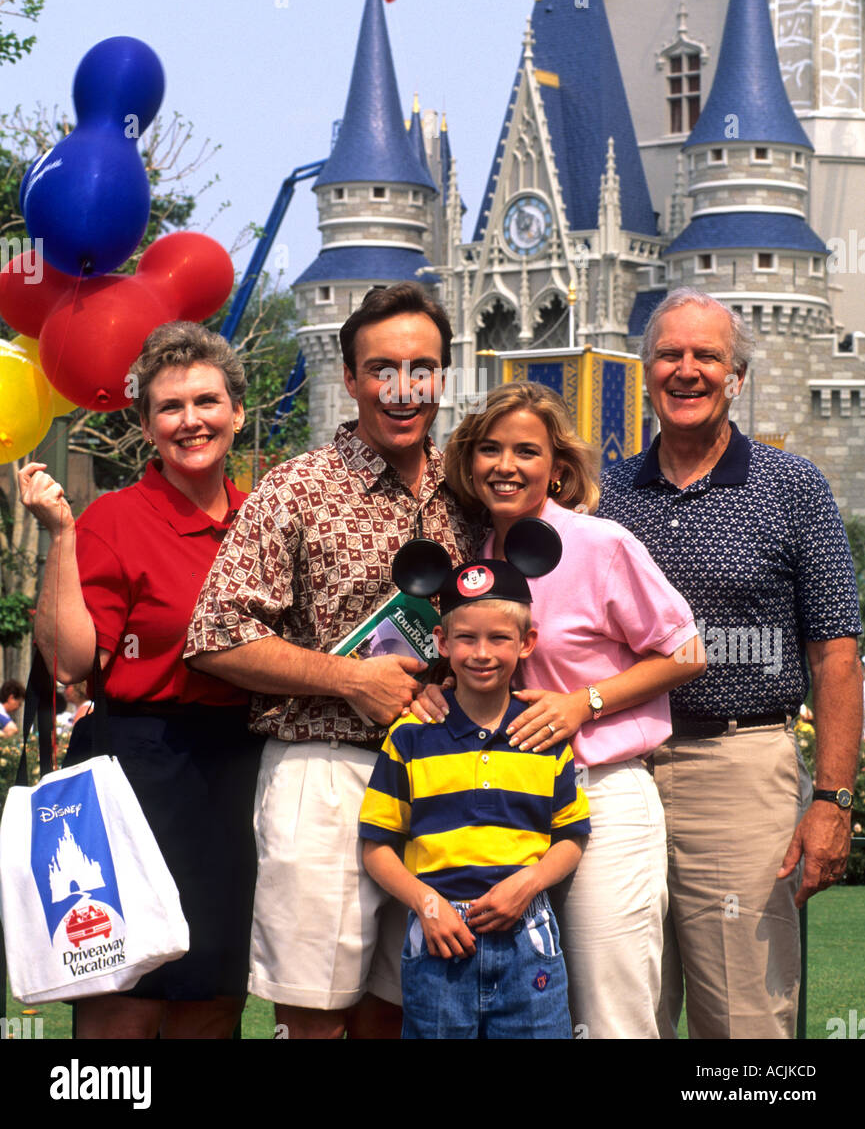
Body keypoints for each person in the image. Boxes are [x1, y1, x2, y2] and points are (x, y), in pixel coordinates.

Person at [185, 282, 477, 1040]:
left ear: (444, 375)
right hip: (325, 770)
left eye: (421, 367)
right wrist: (352, 678)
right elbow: (217, 635)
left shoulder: (469, 494)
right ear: (350, 378)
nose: (403, 387)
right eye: (382, 368)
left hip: (442, 776)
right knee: (315, 1013)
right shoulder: (299, 488)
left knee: (410, 1003)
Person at [598, 287, 864, 1039]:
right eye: (669, 355)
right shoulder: (604, 494)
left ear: (737, 375)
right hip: (621, 771)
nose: (687, 370)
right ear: (646, 372)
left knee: (746, 1018)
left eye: (706, 356)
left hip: (741, 766)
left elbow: (837, 657)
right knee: (620, 1009)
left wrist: (834, 802)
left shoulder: (793, 488)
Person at [420, 381, 706, 1039]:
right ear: (469, 463)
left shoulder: (600, 545)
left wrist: (587, 702)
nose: (506, 465)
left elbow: (689, 652)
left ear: (558, 467)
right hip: (501, 806)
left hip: (600, 793)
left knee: (611, 1014)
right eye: (489, 449)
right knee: (515, 1011)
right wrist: (434, 691)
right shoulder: (475, 566)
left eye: (526, 450)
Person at [18, 321, 262, 1040]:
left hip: (239, 770)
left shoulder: (266, 521)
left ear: (237, 412)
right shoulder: (113, 520)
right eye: (170, 407)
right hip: (135, 769)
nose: (192, 420)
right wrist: (61, 537)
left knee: (214, 992)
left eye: (207, 401)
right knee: (123, 991)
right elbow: (67, 665)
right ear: (149, 425)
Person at [360, 528, 590, 1039]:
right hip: (440, 937)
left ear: (526, 642)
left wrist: (527, 886)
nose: (481, 653)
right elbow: (377, 846)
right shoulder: (411, 736)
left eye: (498, 638)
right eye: (465, 638)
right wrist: (427, 904)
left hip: (527, 930)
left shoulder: (543, 734)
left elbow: (572, 838)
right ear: (441, 641)